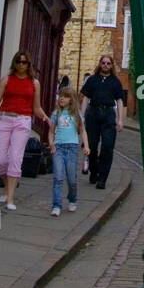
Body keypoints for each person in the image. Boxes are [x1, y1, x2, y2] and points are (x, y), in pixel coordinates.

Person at [0, 50, 50, 211]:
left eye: (24, 62)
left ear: (29, 64)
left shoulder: (34, 83)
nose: (21, 65)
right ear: (14, 63)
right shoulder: (6, 80)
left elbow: (36, 107)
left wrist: (45, 117)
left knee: (16, 158)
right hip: (4, 119)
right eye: (18, 61)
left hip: (22, 121)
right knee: (0, 160)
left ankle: (10, 198)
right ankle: (7, 186)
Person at [80, 54, 125, 189]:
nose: (105, 65)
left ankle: (102, 178)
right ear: (99, 64)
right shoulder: (92, 80)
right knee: (91, 147)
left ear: (111, 66)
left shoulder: (115, 82)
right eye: (103, 63)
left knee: (107, 147)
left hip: (108, 115)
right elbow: (85, 98)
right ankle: (94, 171)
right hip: (93, 113)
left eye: (108, 63)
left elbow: (120, 101)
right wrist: (81, 118)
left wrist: (120, 119)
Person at [48, 87, 88, 216]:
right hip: (58, 148)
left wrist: (86, 146)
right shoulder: (56, 113)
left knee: (72, 179)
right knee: (58, 178)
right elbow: (51, 131)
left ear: (71, 99)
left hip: (72, 148)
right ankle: (56, 205)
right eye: (60, 96)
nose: (61, 98)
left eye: (65, 96)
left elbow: (82, 130)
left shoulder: (77, 114)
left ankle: (72, 199)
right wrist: (51, 143)